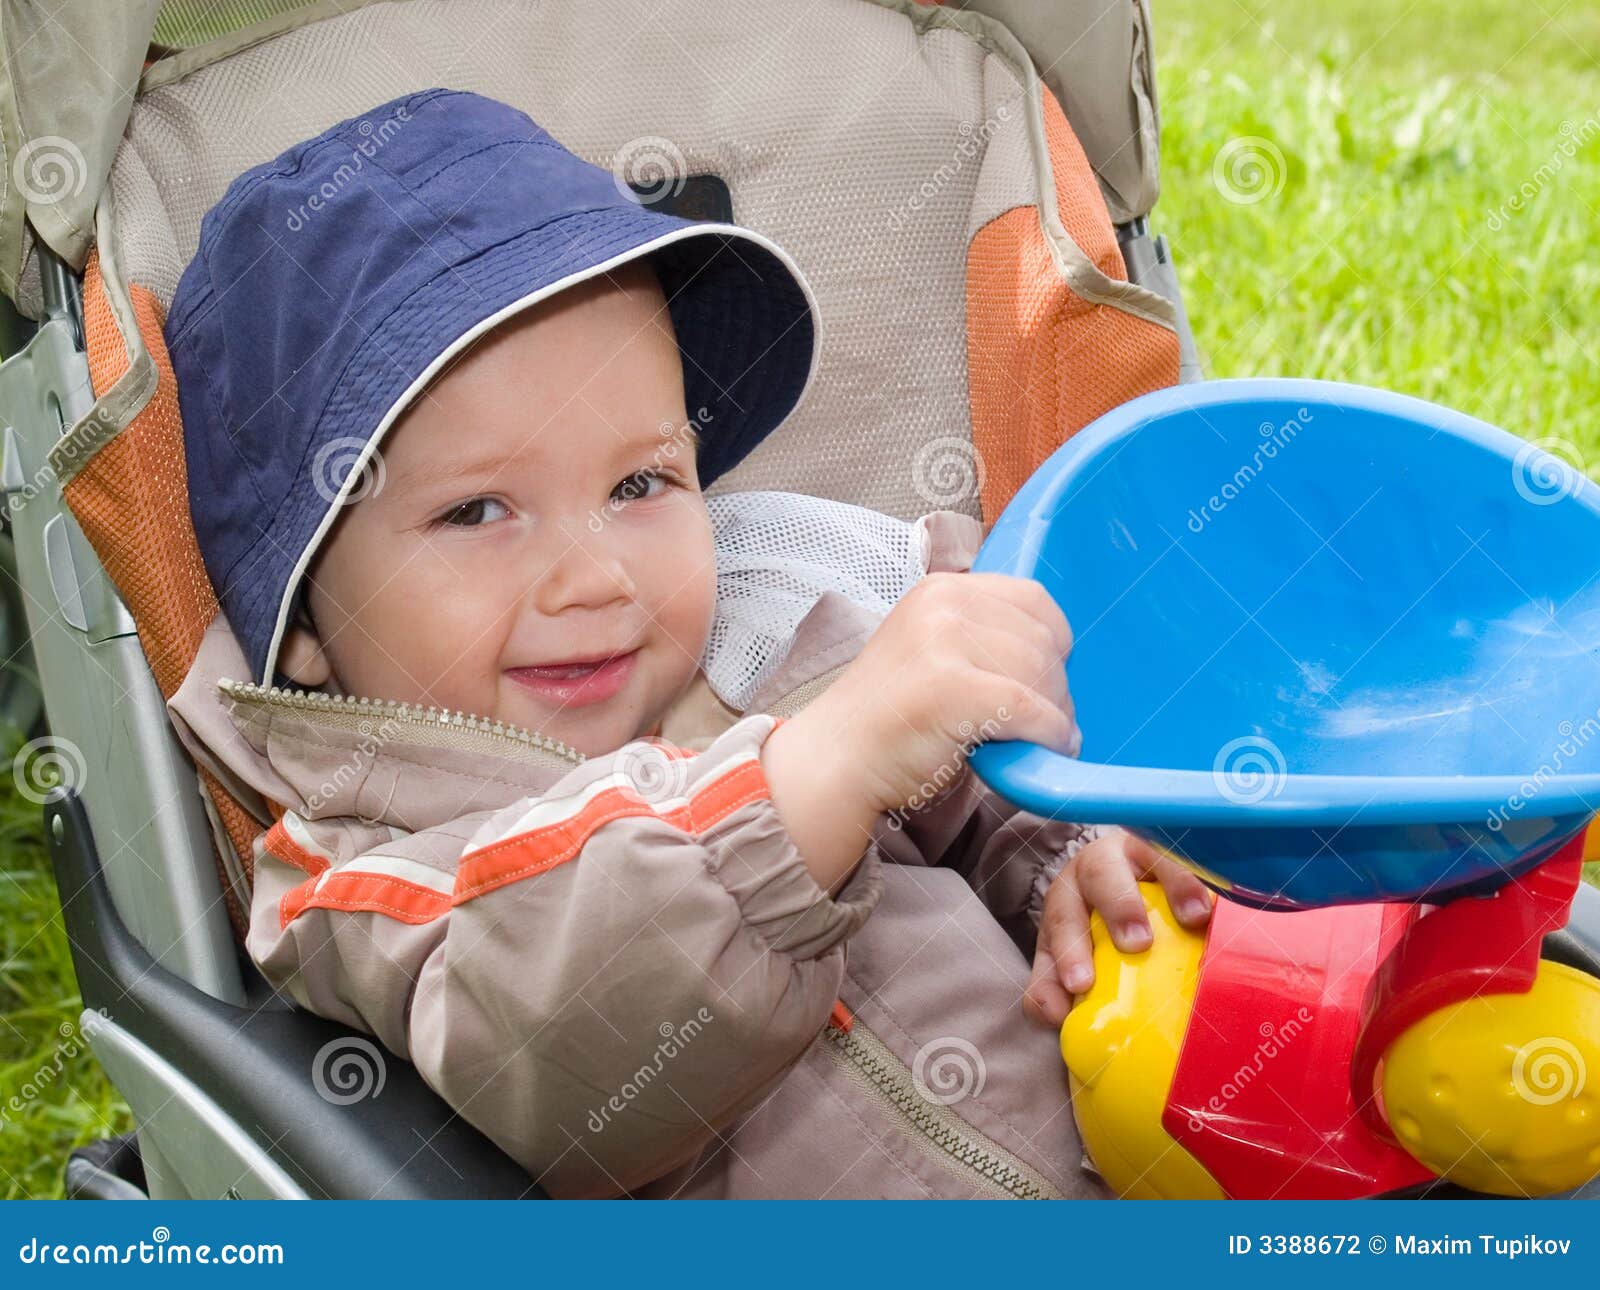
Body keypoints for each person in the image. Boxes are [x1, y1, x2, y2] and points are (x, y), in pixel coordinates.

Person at [164, 88, 1213, 1198]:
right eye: (477, 511)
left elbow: (984, 806)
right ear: (307, 621)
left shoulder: (783, 637)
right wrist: (819, 774)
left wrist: (1064, 863)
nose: (595, 577)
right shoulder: (370, 877)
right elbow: (569, 1049)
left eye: (639, 483)